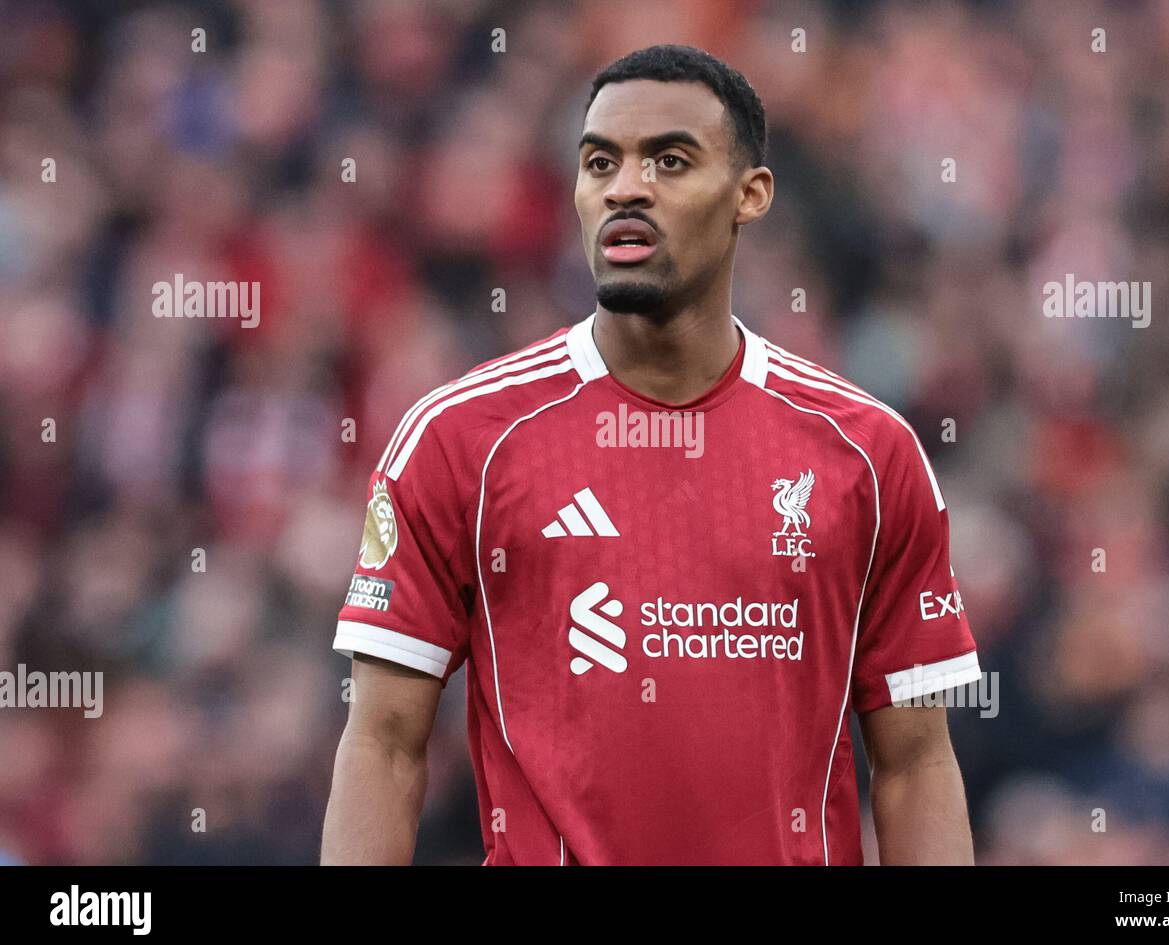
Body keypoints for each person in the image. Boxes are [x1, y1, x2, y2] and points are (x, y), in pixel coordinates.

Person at [321, 44, 980, 865]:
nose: (626, 187)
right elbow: (382, 747)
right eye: (601, 161)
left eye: (670, 160)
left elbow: (915, 763)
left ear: (751, 195)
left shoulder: (868, 453)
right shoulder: (459, 439)